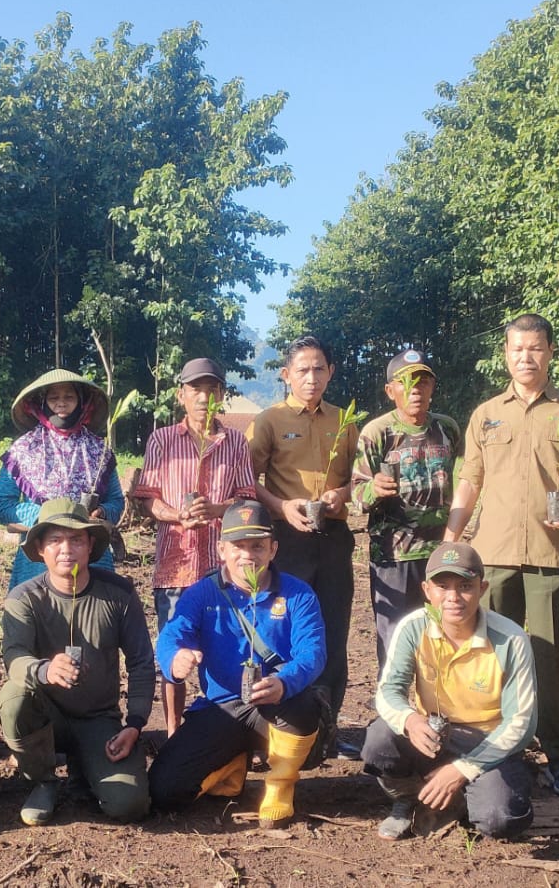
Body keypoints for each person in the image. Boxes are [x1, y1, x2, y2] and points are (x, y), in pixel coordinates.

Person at [443, 313, 559, 796]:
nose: (525, 357)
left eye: (535, 348)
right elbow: (469, 478)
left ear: (550, 352)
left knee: (551, 656)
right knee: (492, 656)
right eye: (517, 349)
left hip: (552, 554)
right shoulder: (486, 413)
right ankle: (497, 753)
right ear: (506, 355)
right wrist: (455, 535)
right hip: (492, 553)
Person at [150, 500, 327, 829]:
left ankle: (280, 785)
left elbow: (312, 652)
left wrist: (285, 681)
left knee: (304, 704)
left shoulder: (298, 594)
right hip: (222, 706)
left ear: (273, 549)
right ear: (221, 549)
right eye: (238, 546)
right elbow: (172, 635)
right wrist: (175, 659)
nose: (248, 555)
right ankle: (232, 765)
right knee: (164, 790)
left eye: (257, 546)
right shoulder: (201, 594)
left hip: (278, 704)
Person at [362, 542, 536, 840]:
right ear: (427, 590)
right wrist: (410, 721)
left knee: (501, 820)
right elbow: (388, 691)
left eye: (465, 586)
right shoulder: (413, 628)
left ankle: (459, 795)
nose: (453, 597)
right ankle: (408, 797)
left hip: (486, 742)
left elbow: (521, 723)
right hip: (430, 733)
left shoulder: (511, 639)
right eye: (442, 586)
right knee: (379, 740)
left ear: (482, 589)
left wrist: (463, 770)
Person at [0, 498, 153, 825]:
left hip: (98, 717)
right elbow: (13, 657)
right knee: (13, 699)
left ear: (90, 545)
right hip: (45, 715)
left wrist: (135, 724)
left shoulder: (118, 593)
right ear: (40, 548)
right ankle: (44, 780)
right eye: (55, 540)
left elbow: (141, 661)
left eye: (76, 539)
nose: (65, 548)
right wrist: (44, 669)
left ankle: (86, 765)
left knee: (128, 804)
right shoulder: (24, 598)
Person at [131, 357, 258, 735]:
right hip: (175, 562)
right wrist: (175, 514)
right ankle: (174, 733)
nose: (204, 397)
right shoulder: (162, 440)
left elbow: (248, 497)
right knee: (175, 647)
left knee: (229, 645)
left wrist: (218, 509)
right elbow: (147, 497)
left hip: (224, 566)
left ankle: (230, 728)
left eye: (212, 389)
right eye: (196, 389)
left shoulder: (235, 441)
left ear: (222, 395)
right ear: (181, 395)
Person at [245, 335, 359, 759]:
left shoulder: (344, 422)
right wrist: (280, 506)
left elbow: (358, 478)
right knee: (286, 630)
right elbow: (248, 479)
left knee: (332, 631)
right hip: (286, 538)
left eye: (319, 369)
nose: (311, 378)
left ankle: (326, 735)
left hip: (331, 538)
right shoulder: (269, 420)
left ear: (330, 372)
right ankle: (282, 730)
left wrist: (341, 495)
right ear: (286, 375)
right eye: (302, 370)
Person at [353, 349, 463, 664]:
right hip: (394, 555)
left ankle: (438, 705)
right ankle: (393, 710)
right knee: (396, 639)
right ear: (390, 391)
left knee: (442, 634)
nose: (416, 389)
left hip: (440, 551)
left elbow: (456, 484)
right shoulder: (378, 433)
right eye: (406, 382)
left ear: (432, 387)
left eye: (423, 381)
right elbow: (354, 493)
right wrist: (372, 488)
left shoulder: (446, 429)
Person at [0, 368, 124, 590]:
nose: (61, 403)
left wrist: (102, 512)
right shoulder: (23, 450)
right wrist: (44, 516)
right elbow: (0, 505)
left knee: (93, 617)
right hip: (39, 555)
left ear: (83, 402)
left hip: (91, 553)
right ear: (41, 404)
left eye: (69, 397)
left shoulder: (99, 451)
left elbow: (116, 501)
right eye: (53, 398)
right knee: (39, 616)